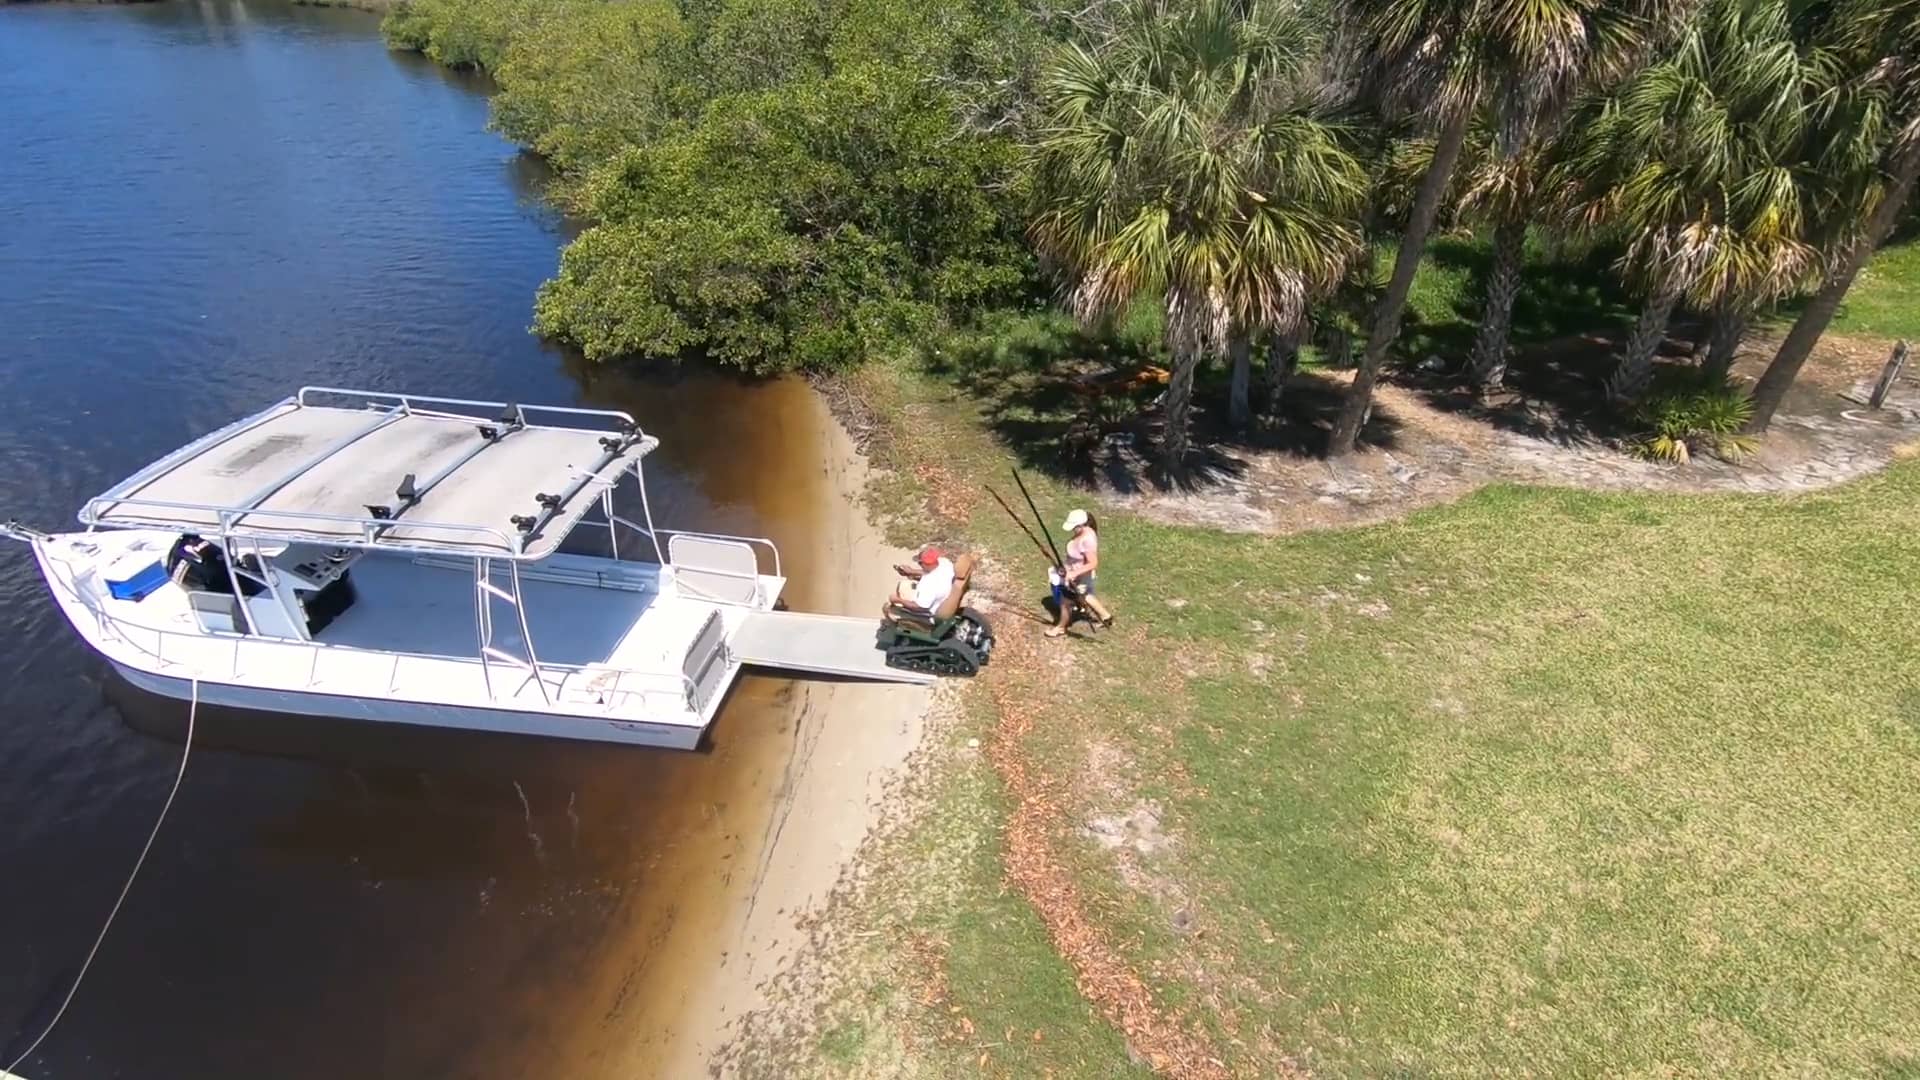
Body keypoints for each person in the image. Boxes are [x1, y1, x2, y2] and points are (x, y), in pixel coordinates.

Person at [1047, 509, 1111, 637]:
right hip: (1075, 574)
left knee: (1065, 602)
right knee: (1085, 596)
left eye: (1074, 527)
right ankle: (1106, 616)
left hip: (1079, 577)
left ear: (1082, 524)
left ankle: (1061, 627)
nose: (1072, 530)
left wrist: (1074, 573)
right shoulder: (1084, 533)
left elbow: (1093, 563)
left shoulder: (1087, 540)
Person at [883, 545, 955, 620]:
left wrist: (899, 600)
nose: (919, 565)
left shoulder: (929, 586)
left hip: (927, 612)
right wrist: (912, 572)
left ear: (924, 564)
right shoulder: (945, 563)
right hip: (942, 597)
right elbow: (931, 573)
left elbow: (919, 607)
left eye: (920, 563)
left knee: (898, 594)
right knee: (906, 585)